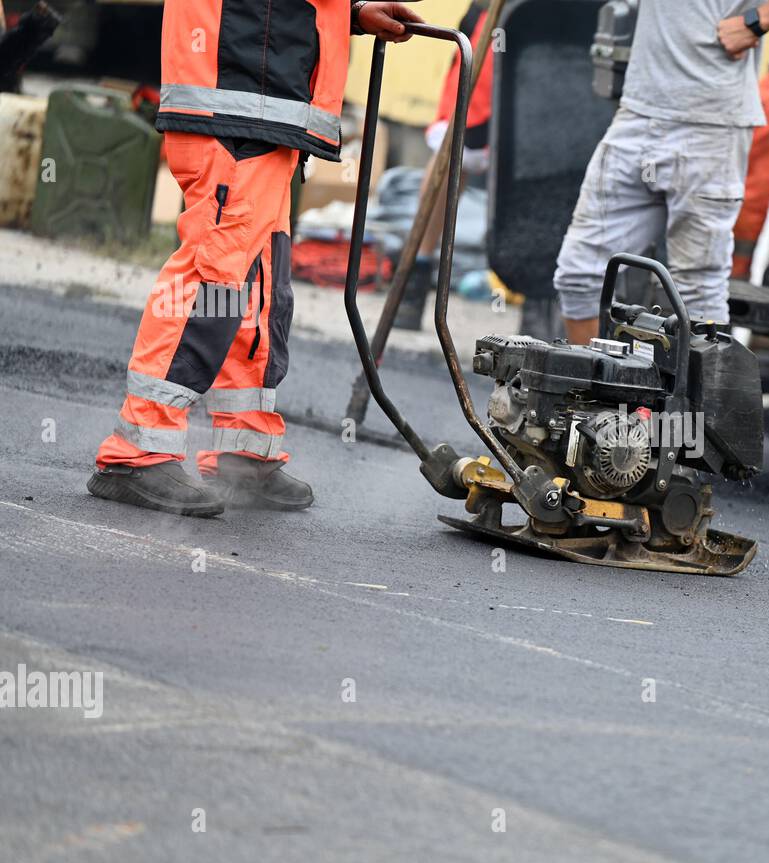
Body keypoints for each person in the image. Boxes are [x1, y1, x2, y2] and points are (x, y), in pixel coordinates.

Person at [88, 0, 423, 518]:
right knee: (213, 279)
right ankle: (139, 451)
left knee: (261, 288)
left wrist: (350, 13)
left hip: (261, 97)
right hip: (240, 94)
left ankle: (244, 453)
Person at [553, 0, 769, 346]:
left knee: (697, 296)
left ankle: (697, 401)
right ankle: (591, 394)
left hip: (710, 125)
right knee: (579, 277)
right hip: (638, 112)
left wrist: (755, 22)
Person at [394, 0, 496, 329]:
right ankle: (414, 278)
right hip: (495, 22)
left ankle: (542, 300)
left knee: (540, 164)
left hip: (562, 29)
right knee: (454, 153)